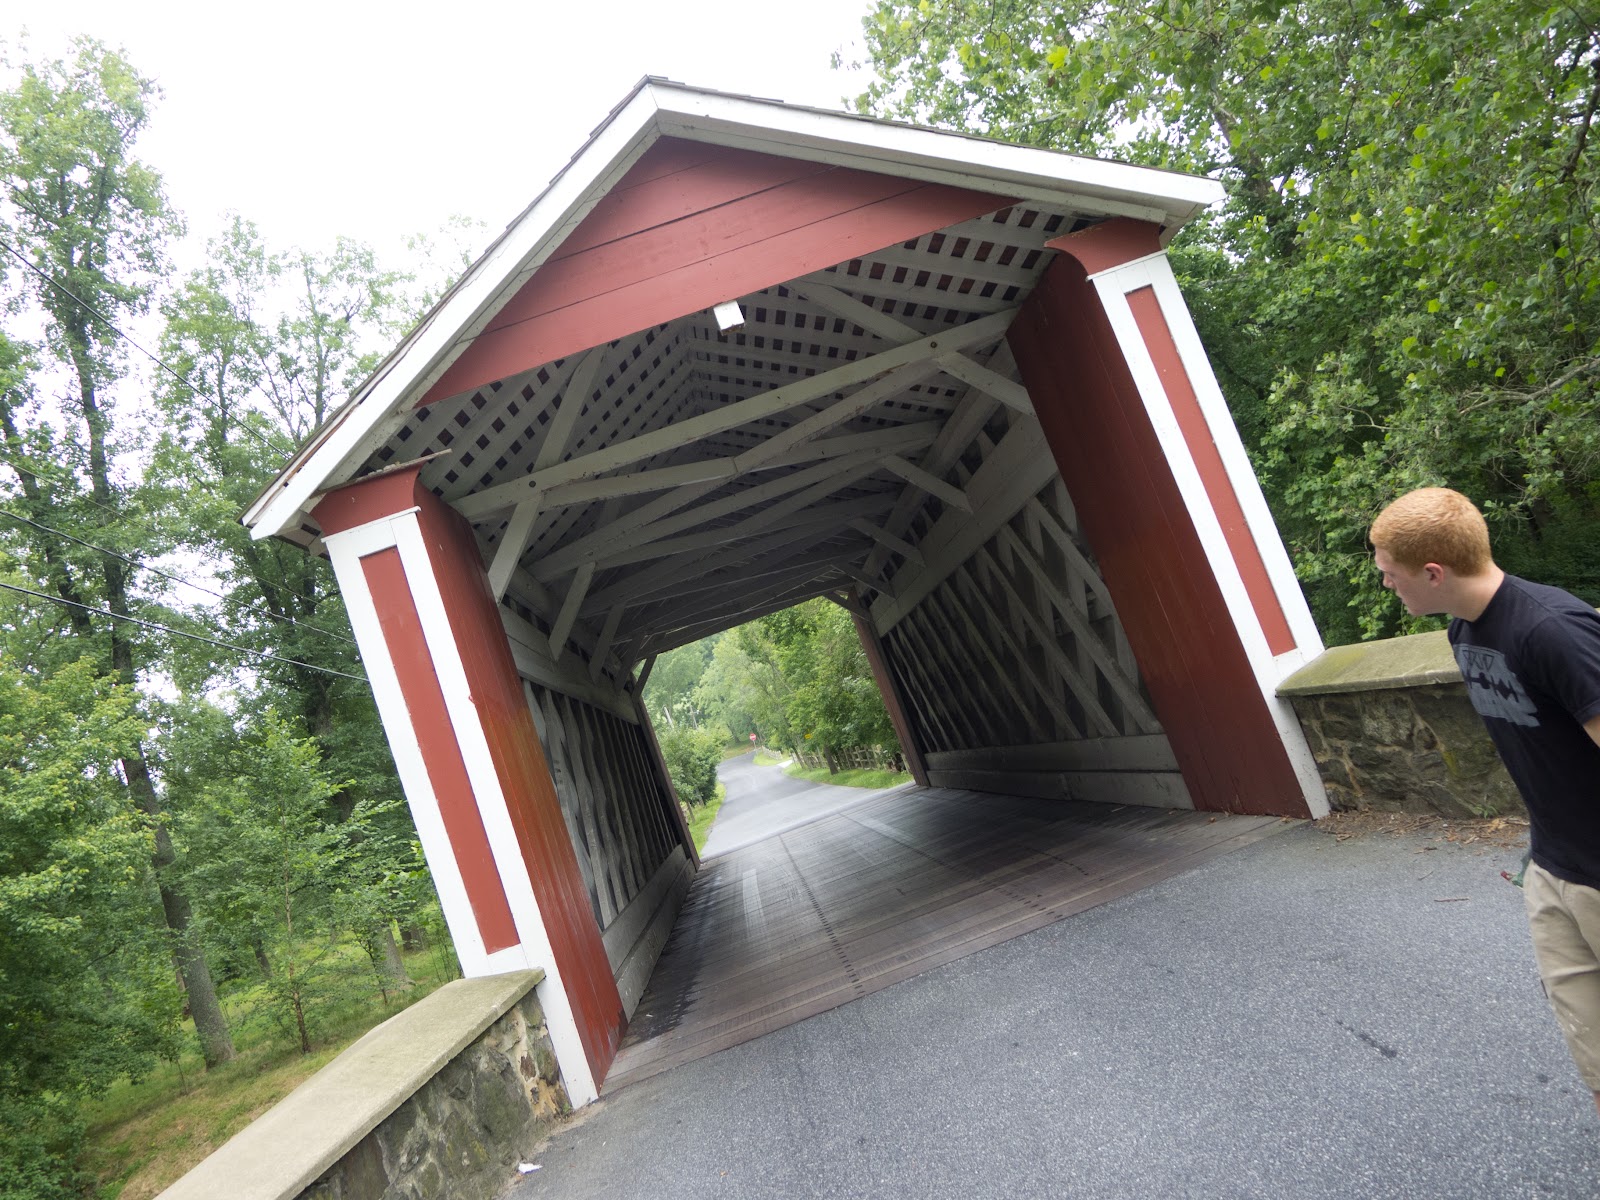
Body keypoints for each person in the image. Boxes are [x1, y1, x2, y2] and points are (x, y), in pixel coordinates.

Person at [1369, 486, 1600, 1115]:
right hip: (1554, 871)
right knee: (1592, 1050)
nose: (1388, 585)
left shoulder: (1553, 630)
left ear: (1434, 572)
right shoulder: (1463, 631)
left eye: (1391, 574)